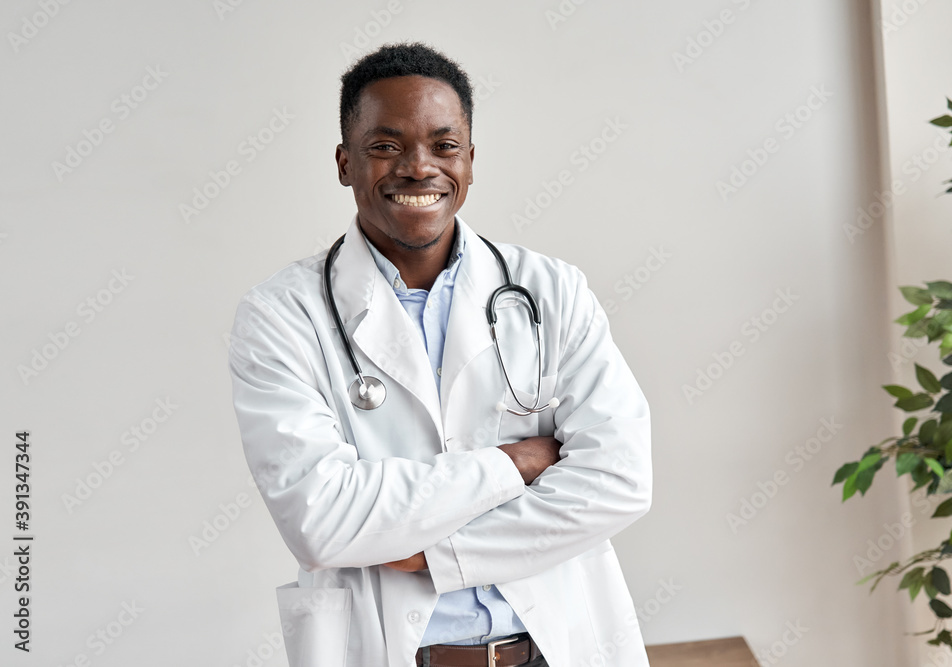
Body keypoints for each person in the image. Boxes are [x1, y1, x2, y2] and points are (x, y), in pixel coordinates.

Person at [228, 42, 652, 667]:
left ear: (471, 161)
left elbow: (618, 479)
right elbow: (322, 519)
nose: (417, 167)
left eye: (444, 145)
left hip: (553, 649)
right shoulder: (282, 315)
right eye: (385, 145)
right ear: (345, 163)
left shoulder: (552, 291)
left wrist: (431, 555)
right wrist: (517, 463)